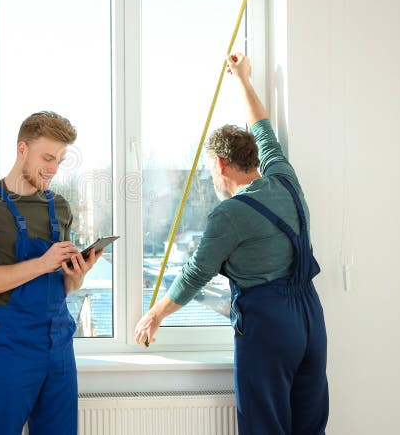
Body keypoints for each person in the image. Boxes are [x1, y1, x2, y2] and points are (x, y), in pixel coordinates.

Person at [134, 53, 329, 434]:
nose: (212, 179)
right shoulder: (285, 178)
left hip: (270, 325)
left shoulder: (230, 214)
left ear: (222, 164)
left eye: (210, 170)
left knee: (264, 427)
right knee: (310, 428)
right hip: (311, 320)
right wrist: (243, 79)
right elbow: (263, 131)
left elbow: (195, 274)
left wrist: (154, 315)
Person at [0, 111, 103, 435]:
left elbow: (64, 285)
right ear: (22, 149)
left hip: (60, 342)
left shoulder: (60, 206)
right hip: (12, 344)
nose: (53, 169)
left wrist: (77, 275)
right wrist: (42, 263)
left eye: (60, 161)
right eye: (47, 158)